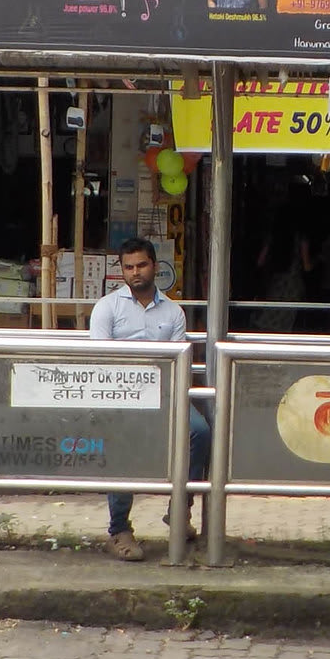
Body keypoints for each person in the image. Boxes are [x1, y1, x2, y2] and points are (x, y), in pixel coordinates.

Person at [88, 236, 210, 561]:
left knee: (200, 431)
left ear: (154, 266)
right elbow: (100, 362)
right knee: (121, 439)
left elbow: (180, 361)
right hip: (120, 396)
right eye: (128, 267)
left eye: (141, 265)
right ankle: (119, 530)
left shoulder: (173, 311)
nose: (135, 272)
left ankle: (180, 511)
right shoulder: (107, 308)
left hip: (164, 394)